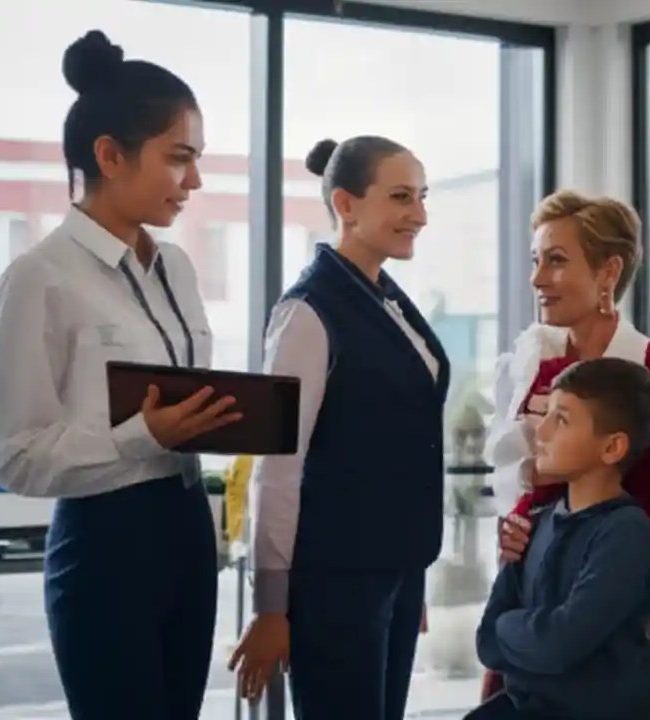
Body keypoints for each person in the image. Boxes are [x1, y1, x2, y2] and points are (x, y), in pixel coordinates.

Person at [0, 31, 240, 720]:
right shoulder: (39, 278)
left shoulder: (178, 269)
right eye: (179, 159)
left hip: (187, 527)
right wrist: (140, 435)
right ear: (109, 155)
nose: (194, 182)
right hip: (106, 545)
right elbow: (17, 457)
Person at [229, 136, 449, 719]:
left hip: (391, 574)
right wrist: (270, 607)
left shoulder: (385, 300)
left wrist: (405, 574)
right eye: (402, 197)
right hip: (335, 583)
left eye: (423, 197)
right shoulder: (307, 312)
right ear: (345, 205)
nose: (420, 215)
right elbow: (277, 470)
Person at [484, 189, 650, 700]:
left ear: (609, 272)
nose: (538, 278)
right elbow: (532, 486)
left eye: (557, 262)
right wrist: (521, 527)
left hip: (616, 617)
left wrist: (600, 545)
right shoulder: (534, 367)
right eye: (537, 261)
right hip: (536, 597)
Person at [471, 358, 650, 720]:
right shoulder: (535, 522)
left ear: (612, 448)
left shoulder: (625, 531)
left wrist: (509, 626)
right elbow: (487, 645)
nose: (539, 433)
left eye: (561, 419)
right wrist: (519, 632)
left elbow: (561, 643)